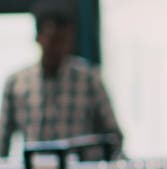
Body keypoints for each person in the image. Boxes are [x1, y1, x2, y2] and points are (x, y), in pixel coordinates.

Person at [0, 3, 122, 159]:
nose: (57, 47)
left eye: (63, 40)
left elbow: (113, 136)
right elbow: (2, 140)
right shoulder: (16, 83)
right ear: (38, 37)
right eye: (52, 39)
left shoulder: (90, 80)